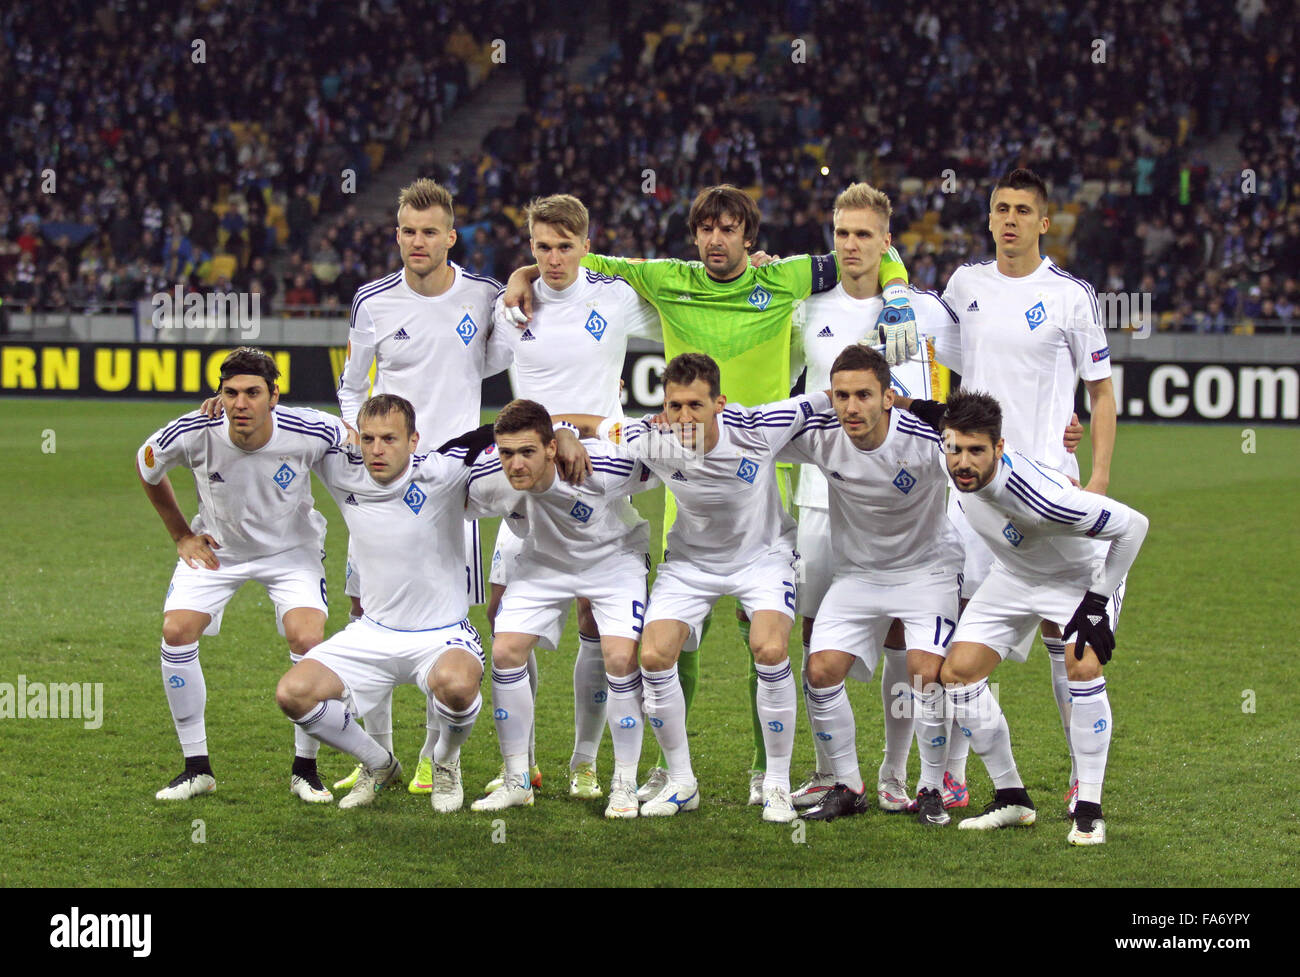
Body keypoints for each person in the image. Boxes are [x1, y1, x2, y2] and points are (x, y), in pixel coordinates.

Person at [505, 184, 916, 805]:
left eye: (730, 229)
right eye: (707, 229)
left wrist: (903, 290)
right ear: (695, 235)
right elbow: (582, 260)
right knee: (677, 640)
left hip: (767, 472)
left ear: (750, 237)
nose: (717, 239)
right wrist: (523, 273)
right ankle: (673, 772)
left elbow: (870, 253)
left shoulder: (789, 278)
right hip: (684, 472)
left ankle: (763, 768)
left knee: (769, 634)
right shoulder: (666, 278)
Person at [561, 353, 820, 823]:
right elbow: (591, 423)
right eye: (674, 406)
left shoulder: (759, 426)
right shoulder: (651, 437)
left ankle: (777, 783)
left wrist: (920, 410)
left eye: (695, 406)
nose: (683, 418)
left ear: (719, 402)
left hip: (763, 559)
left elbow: (827, 399)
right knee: (655, 657)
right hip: (692, 563)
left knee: (768, 648)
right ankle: (682, 782)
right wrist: (560, 430)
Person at [940, 168, 1117, 815]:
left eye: (1022, 210)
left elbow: (1100, 392)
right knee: (963, 629)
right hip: (973, 495)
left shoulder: (1071, 296)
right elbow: (959, 380)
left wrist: (1095, 478)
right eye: (1000, 208)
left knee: (1061, 636)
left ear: (1046, 221)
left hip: (1047, 488)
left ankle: (1079, 775)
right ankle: (957, 773)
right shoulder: (965, 286)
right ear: (988, 218)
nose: (1009, 219)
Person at [334, 178, 514, 795]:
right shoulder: (372, 301)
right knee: (365, 611)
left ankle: (443, 757)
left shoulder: (483, 295)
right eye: (407, 231)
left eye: (429, 231)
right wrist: (359, 442)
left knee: (448, 619)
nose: (417, 241)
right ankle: (375, 757)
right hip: (383, 476)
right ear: (397, 234)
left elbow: (495, 361)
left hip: (449, 485)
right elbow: (353, 386)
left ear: (450, 236)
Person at [787, 182, 962, 812]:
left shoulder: (925, 311)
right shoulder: (804, 307)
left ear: (888, 243)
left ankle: (894, 771)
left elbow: (967, 386)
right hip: (821, 491)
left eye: (865, 234)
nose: (852, 245)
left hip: (906, 494)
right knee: (814, 638)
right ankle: (833, 769)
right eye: (842, 233)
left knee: (900, 636)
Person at [483, 194, 662, 800]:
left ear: (588, 244)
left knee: (595, 618)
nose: (553, 258)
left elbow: (686, 299)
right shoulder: (511, 310)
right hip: (528, 477)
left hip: (597, 471)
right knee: (501, 617)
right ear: (529, 246)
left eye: (565, 246)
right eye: (541, 248)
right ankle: (521, 765)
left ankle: (585, 760)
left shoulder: (614, 297)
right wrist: (519, 279)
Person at [936, 390, 1147, 845]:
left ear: (1000, 448)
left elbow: (1134, 526)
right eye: (956, 449)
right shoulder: (948, 451)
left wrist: (1096, 602)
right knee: (957, 674)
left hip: (1080, 576)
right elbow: (932, 415)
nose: (963, 462)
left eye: (977, 451)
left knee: (1082, 665)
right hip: (1014, 575)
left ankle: (1089, 809)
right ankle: (1012, 797)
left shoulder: (1043, 499)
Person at [137, 347, 345, 803]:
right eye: (230, 393)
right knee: (176, 631)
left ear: (274, 395)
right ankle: (196, 768)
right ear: (219, 396)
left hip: (292, 551)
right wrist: (180, 534)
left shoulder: (310, 428)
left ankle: (305, 770)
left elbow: (356, 443)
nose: (240, 403)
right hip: (218, 550)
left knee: (307, 639)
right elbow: (147, 462)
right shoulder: (195, 430)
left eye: (253, 392)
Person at [770, 345, 962, 826]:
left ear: (888, 397)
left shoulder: (926, 439)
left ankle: (931, 788)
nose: (851, 407)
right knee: (820, 670)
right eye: (840, 396)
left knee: (925, 671)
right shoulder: (822, 434)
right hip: (857, 576)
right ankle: (848, 784)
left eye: (863, 395)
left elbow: (986, 450)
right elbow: (749, 437)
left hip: (927, 572)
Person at [276, 395, 493, 812]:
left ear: (414, 440)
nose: (377, 449)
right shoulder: (341, 469)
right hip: (371, 633)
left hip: (442, 635)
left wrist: (563, 433)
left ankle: (445, 761)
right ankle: (378, 763)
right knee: (293, 693)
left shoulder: (443, 470)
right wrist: (222, 402)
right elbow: (290, 422)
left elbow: (497, 431)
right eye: (369, 439)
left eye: (390, 439)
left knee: (459, 686)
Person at [464, 400, 661, 817]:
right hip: (544, 563)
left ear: (552, 449)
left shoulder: (601, 465)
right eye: (506, 453)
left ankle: (623, 784)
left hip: (614, 563)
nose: (515, 465)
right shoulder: (489, 479)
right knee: (504, 651)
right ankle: (517, 780)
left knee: (621, 657)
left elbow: (667, 459)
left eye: (527, 452)